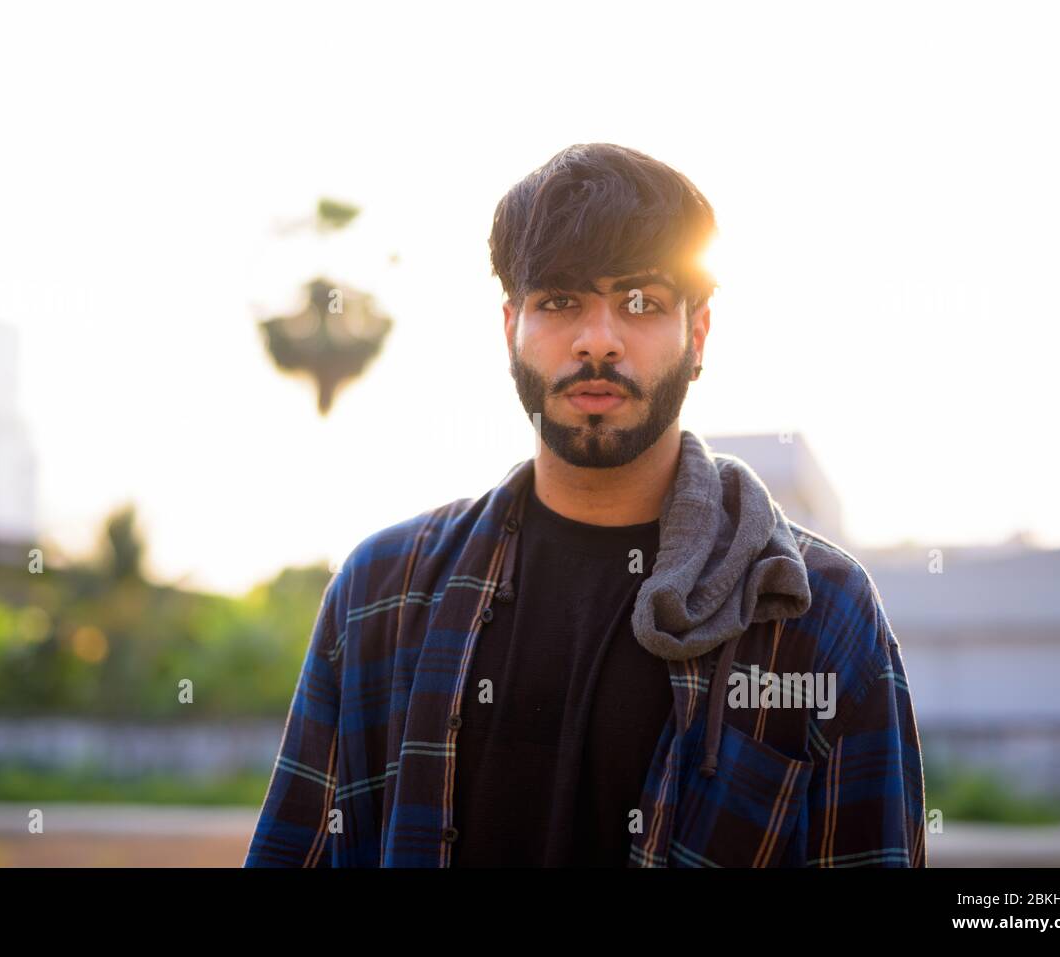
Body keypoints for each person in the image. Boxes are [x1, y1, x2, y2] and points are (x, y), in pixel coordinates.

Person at [245, 143, 926, 867]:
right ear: (511, 327)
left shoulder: (816, 612)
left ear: (697, 336)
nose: (598, 339)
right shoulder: (380, 594)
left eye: (642, 301)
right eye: (560, 301)